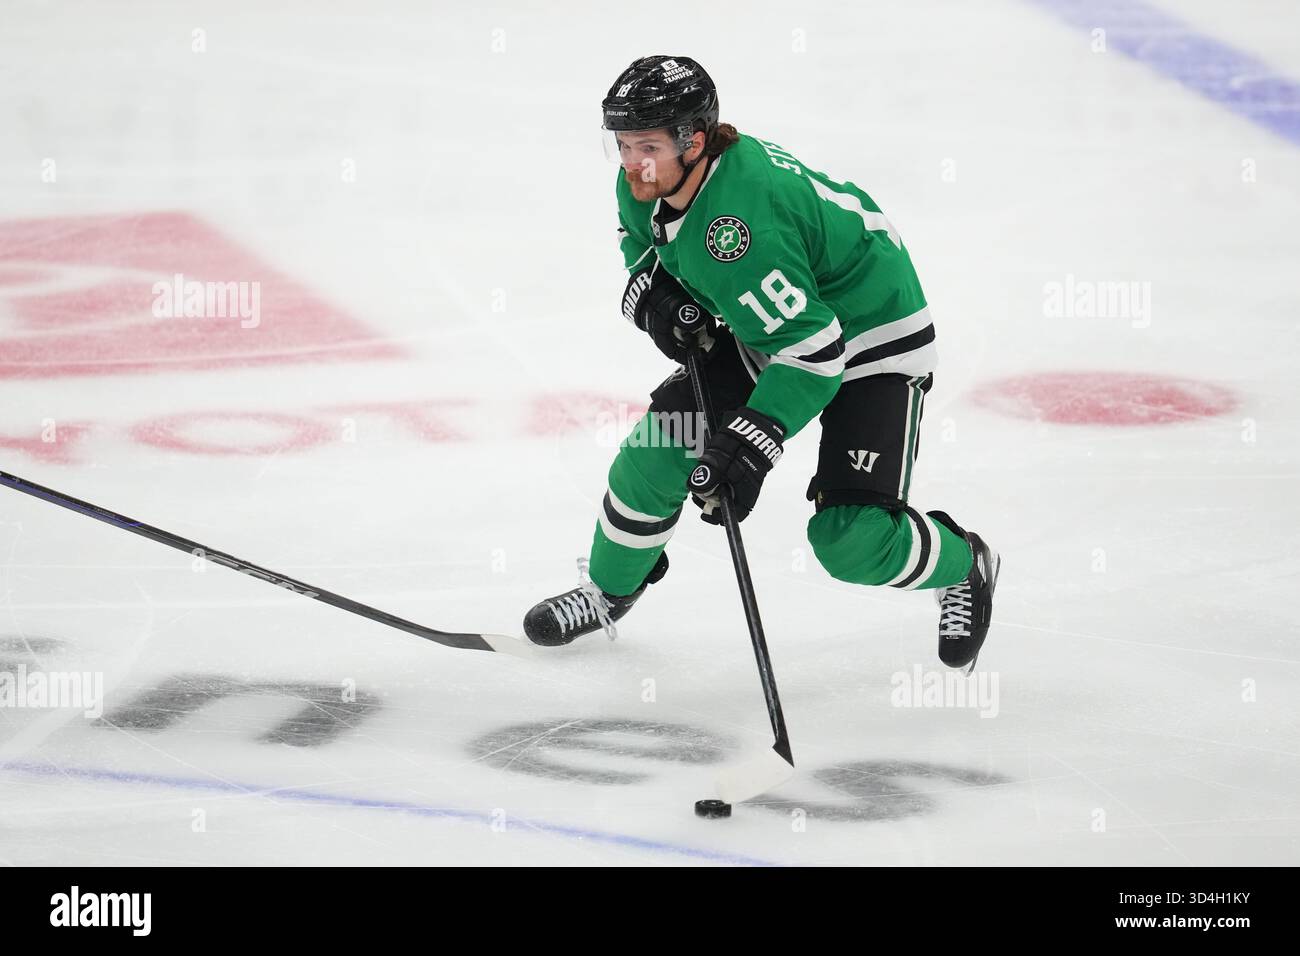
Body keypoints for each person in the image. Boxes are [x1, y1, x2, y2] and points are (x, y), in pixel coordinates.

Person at [523, 55, 1000, 671]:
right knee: (661, 447)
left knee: (850, 541)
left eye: (647, 145)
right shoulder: (646, 181)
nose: (632, 162)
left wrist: (749, 444)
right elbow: (641, 244)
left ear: (692, 141)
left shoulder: (741, 226)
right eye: (622, 145)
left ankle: (965, 564)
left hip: (871, 330)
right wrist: (654, 295)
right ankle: (611, 590)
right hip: (783, 321)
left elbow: (816, 352)